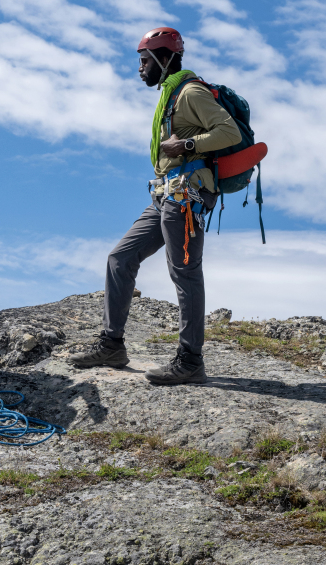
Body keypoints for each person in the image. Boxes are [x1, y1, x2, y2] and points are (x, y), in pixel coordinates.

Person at [70, 27, 241, 385]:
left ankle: (191, 360)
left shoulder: (190, 92)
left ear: (165, 59)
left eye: (145, 60)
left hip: (187, 196)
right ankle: (111, 344)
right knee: (120, 258)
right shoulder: (171, 93)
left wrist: (189, 146)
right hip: (167, 194)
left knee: (184, 272)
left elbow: (230, 132)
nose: (140, 68)